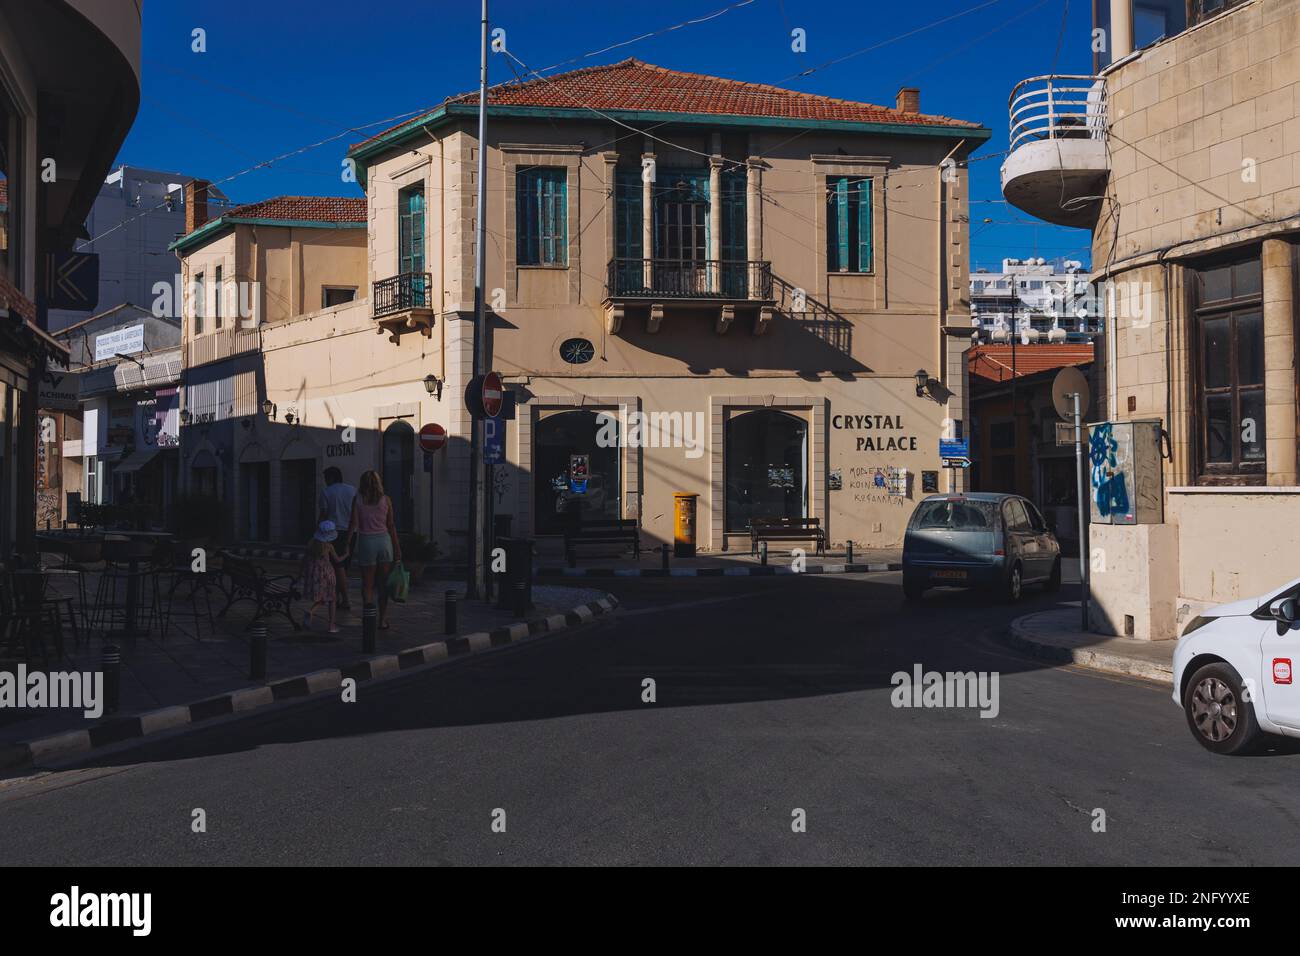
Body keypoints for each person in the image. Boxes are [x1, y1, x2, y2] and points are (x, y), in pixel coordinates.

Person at [349, 469, 402, 630]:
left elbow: (354, 524)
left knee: (368, 585)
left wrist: (346, 544)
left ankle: (368, 617)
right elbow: (391, 525)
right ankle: (382, 620)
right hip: (384, 543)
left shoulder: (358, 500)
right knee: (383, 585)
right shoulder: (386, 500)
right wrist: (397, 548)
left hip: (366, 543)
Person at [318, 466, 356, 612]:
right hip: (351, 532)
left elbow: (323, 515)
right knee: (343, 566)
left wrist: (317, 532)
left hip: (333, 532)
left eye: (326, 478)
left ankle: (344, 599)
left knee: (337, 566)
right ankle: (338, 598)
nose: (325, 481)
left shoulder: (326, 492)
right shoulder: (352, 490)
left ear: (331, 478)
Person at [301, 520, 348, 634]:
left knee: (322, 598)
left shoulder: (311, 543)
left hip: (314, 576)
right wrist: (346, 554)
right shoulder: (328, 546)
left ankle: (311, 612)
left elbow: (304, 560)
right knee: (332, 598)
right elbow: (337, 560)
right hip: (327, 575)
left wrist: (300, 574)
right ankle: (331, 626)